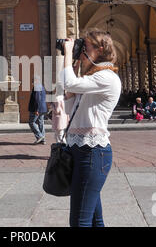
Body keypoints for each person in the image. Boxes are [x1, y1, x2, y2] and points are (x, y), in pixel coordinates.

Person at [61, 29, 121, 227]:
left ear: (100, 49)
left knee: (79, 221)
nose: (83, 51)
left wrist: (68, 52)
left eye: (85, 48)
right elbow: (70, 104)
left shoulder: (106, 77)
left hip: (93, 153)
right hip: (82, 151)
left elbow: (68, 81)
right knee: (95, 220)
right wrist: (76, 62)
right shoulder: (93, 79)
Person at [28, 76, 48, 145]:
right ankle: (43, 140)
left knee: (31, 122)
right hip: (42, 108)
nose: (32, 82)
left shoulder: (37, 87)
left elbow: (37, 99)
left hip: (37, 109)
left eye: (33, 80)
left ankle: (40, 136)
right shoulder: (42, 87)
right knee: (40, 123)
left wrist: (36, 109)